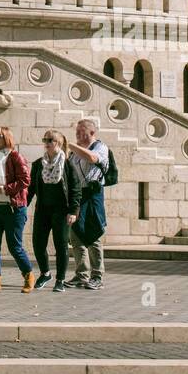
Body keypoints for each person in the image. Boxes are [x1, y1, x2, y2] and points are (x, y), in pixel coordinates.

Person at [0, 126, 34, 294]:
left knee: (14, 246)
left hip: (13, 208)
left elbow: (25, 180)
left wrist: (3, 189)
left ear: (6, 138)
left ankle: (28, 275)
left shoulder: (15, 157)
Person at [28, 130, 82, 293]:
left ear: (58, 143)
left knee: (61, 246)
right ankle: (45, 273)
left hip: (62, 211)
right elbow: (31, 189)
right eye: (45, 139)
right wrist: (23, 205)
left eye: (49, 140)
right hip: (43, 210)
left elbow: (75, 189)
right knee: (38, 244)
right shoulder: (38, 164)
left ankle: (60, 279)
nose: (46, 142)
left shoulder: (67, 164)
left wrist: (73, 211)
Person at [66, 118, 109, 290]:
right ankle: (81, 274)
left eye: (81, 131)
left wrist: (70, 145)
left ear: (91, 133)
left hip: (92, 194)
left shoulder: (100, 147)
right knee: (76, 235)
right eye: (76, 131)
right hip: (77, 196)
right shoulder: (74, 152)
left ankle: (97, 276)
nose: (77, 134)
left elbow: (92, 158)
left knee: (93, 234)